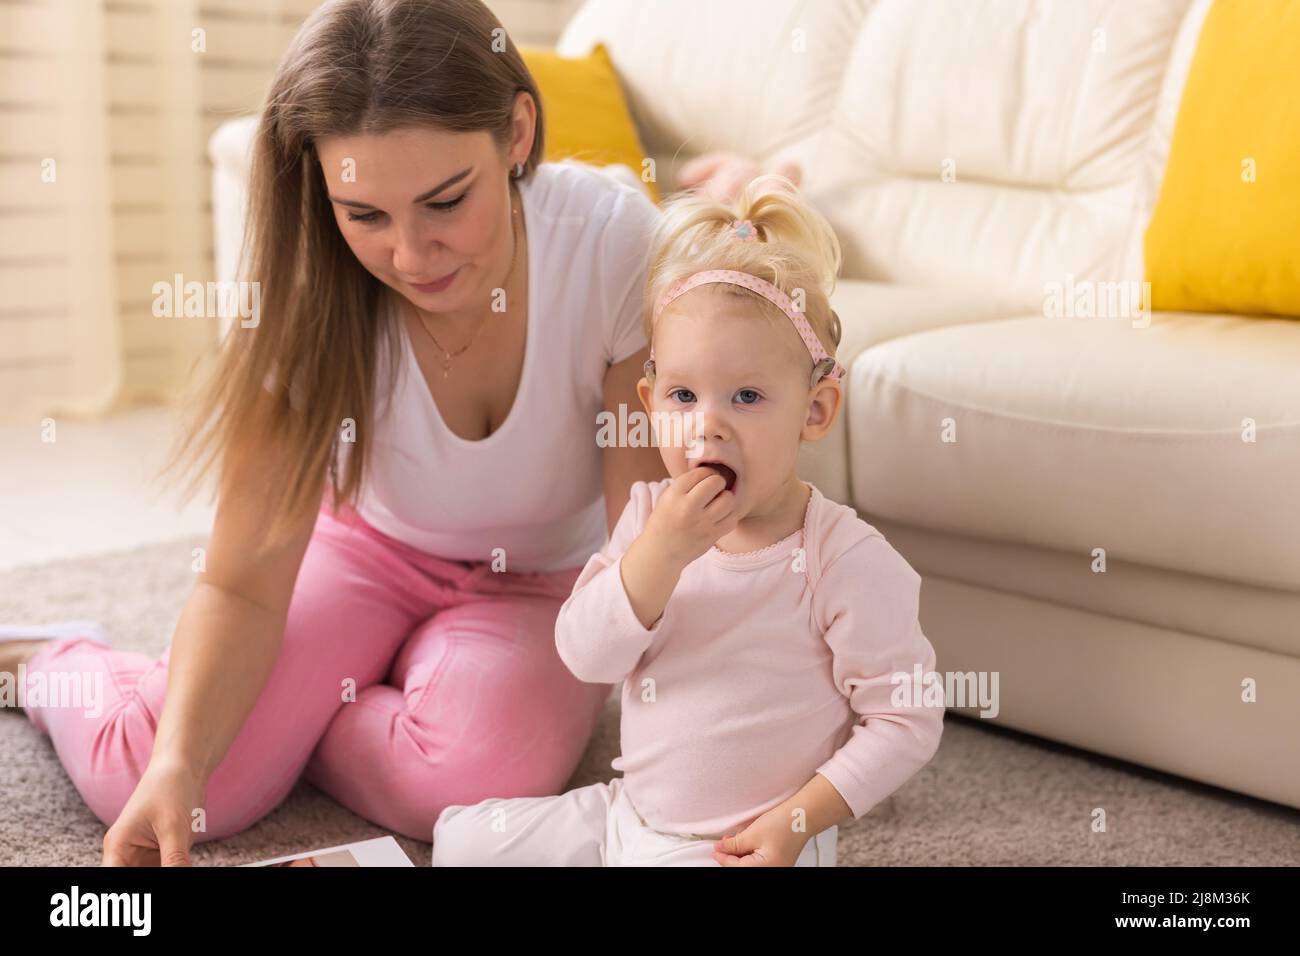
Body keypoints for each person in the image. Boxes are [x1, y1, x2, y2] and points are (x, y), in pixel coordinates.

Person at [428, 174, 945, 866]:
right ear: (648, 401)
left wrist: (797, 822)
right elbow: (585, 656)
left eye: (748, 396)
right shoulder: (649, 518)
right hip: (630, 815)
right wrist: (661, 556)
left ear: (815, 411)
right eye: (681, 394)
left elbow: (906, 719)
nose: (708, 426)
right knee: (462, 841)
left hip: (741, 847)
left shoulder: (840, 557)